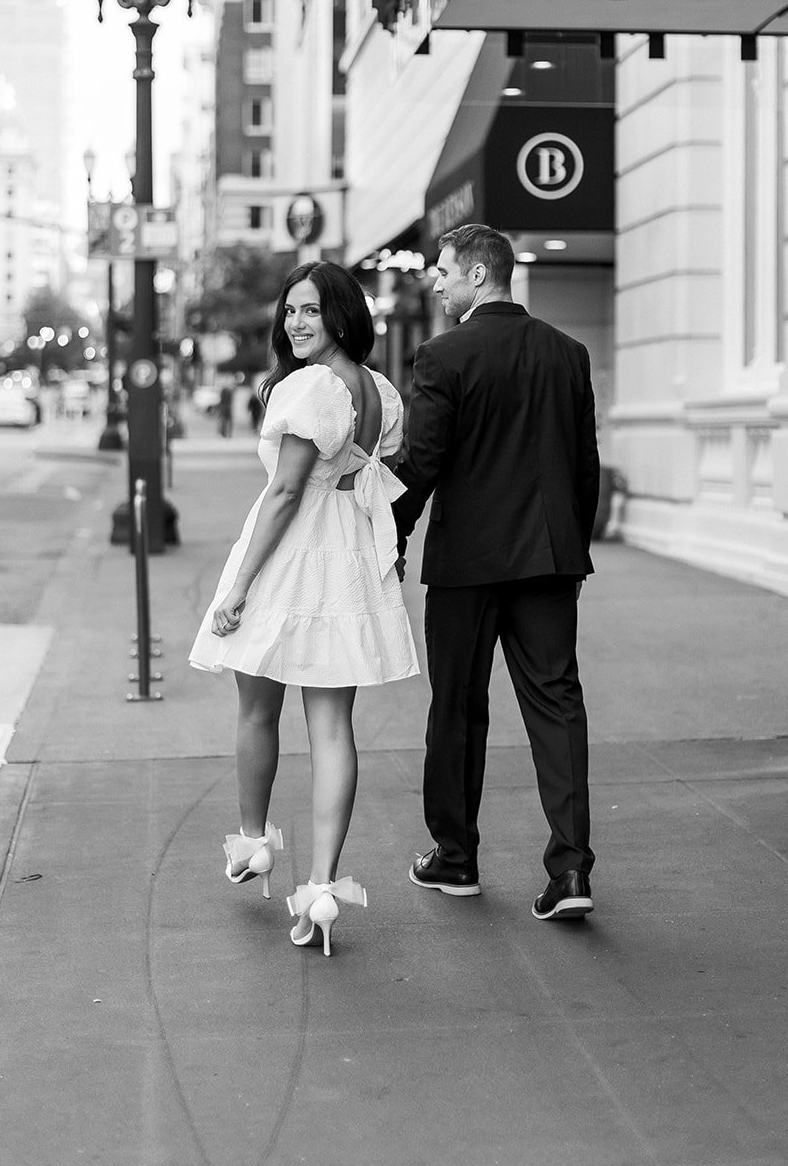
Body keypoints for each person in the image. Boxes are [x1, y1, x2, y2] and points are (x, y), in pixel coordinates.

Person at [189, 262, 419, 955]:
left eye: (311, 311)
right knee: (331, 729)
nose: (296, 323)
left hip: (291, 559)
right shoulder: (377, 390)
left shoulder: (312, 386)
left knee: (258, 709)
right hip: (343, 562)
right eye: (289, 310)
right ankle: (319, 888)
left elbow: (287, 494)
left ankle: (254, 842)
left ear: (343, 314)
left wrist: (237, 589)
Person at [392, 222, 601, 921]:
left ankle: (455, 859)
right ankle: (570, 872)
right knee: (556, 704)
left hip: (466, 566)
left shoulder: (441, 358)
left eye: (444, 270)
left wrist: (386, 541)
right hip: (547, 559)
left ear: (480, 274)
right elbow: (583, 468)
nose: (437, 281)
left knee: (456, 708)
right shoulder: (566, 354)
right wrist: (569, 554)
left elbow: (419, 466)